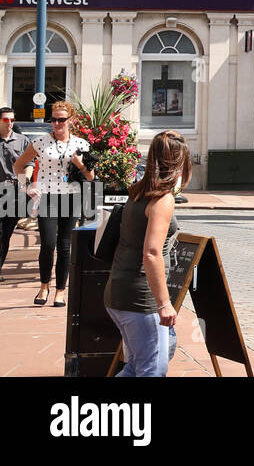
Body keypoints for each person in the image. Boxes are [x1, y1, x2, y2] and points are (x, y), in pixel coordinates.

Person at [104, 130, 190, 377]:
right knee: (152, 371)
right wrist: (164, 304)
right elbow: (152, 253)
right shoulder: (163, 199)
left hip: (119, 293)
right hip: (141, 300)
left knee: (134, 367)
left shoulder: (138, 191)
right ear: (179, 163)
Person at [14, 101, 93, 307]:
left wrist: (79, 164)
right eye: (54, 119)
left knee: (65, 245)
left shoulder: (81, 144)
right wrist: (27, 187)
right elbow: (19, 165)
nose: (56, 123)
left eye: (61, 119)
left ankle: (60, 290)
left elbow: (91, 176)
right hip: (48, 196)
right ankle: (43, 285)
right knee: (48, 244)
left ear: (71, 121)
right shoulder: (40, 142)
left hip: (71, 197)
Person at [0, 107, 30, 278]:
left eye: (12, 120)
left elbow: (30, 163)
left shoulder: (22, 141)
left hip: (14, 192)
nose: (10, 123)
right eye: (6, 120)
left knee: (5, 234)